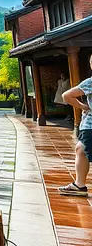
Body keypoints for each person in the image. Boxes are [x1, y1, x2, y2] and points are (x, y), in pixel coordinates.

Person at [58, 57, 92, 197]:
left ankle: (79, 185)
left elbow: (67, 95)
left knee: (82, 150)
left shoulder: (90, 82)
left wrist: (83, 106)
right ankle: (79, 184)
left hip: (90, 127)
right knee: (80, 149)